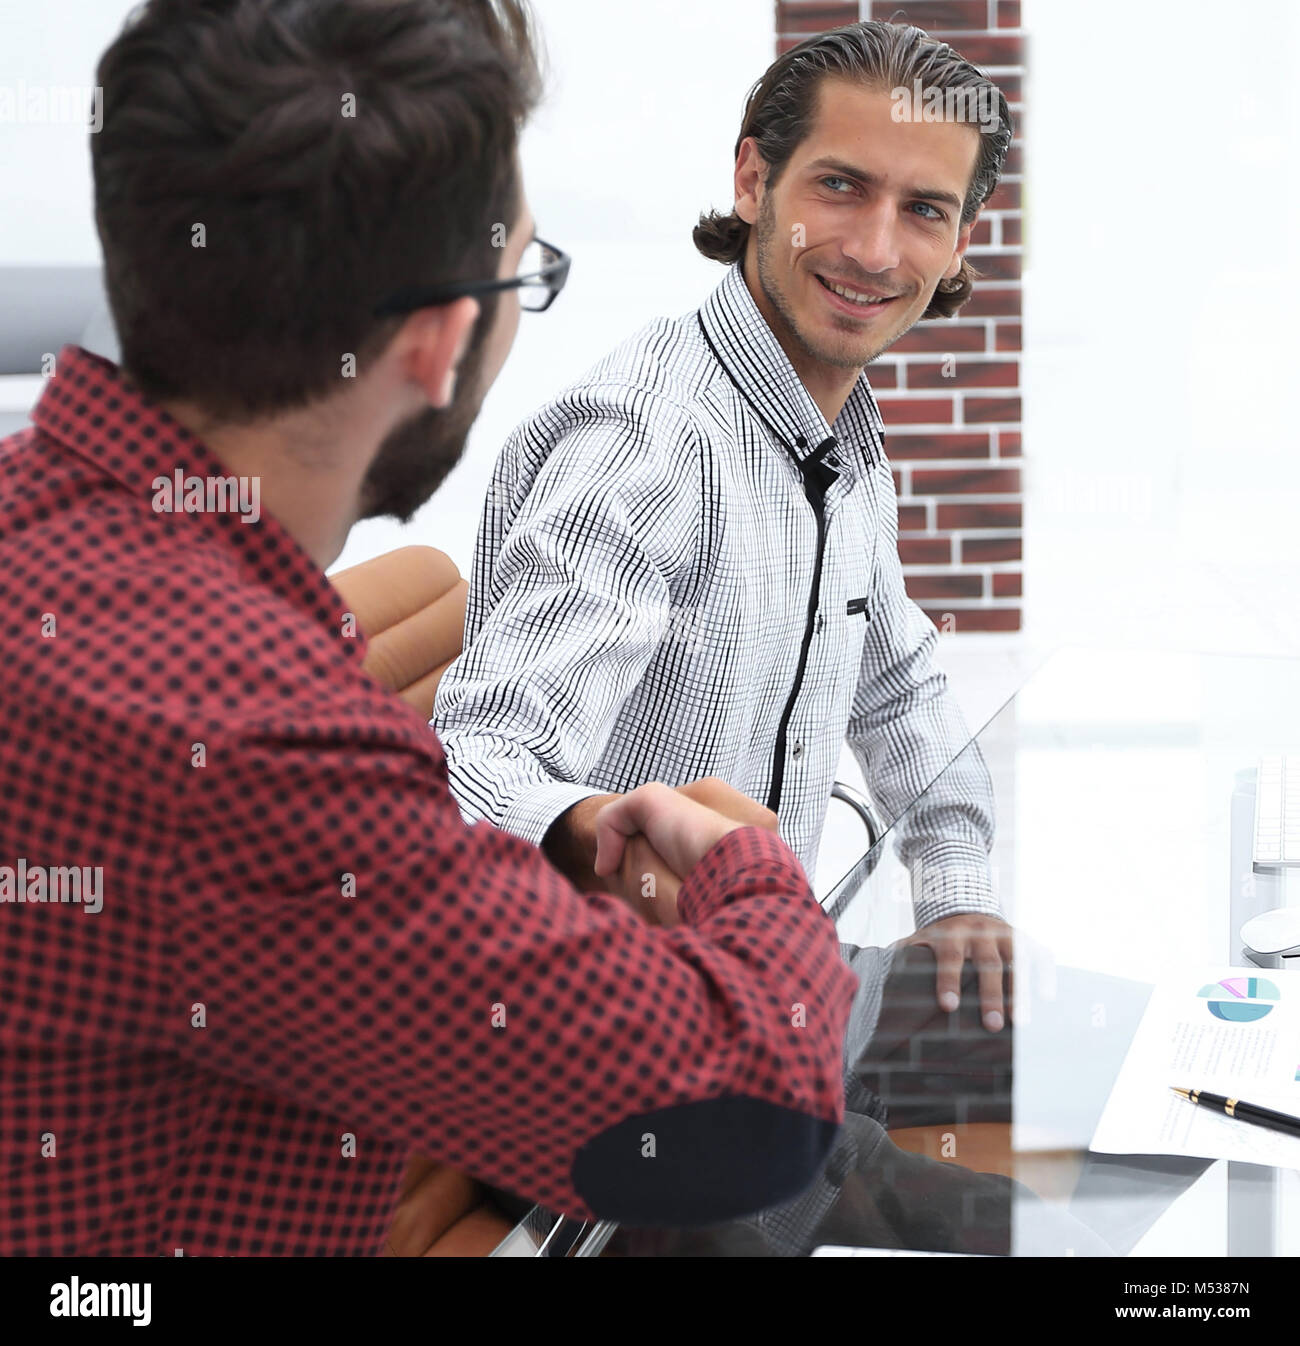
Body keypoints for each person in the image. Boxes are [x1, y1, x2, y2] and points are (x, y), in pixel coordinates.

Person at [0, 0, 857, 1256]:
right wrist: (740, 861)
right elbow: (754, 1113)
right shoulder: (257, 751)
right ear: (441, 338)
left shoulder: (51, 523)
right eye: (525, 274)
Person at [435, 19, 1017, 1030]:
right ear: (753, 180)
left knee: (1115, 1082)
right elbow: (471, 766)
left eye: (923, 209)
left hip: (757, 997)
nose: (876, 250)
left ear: (959, 241)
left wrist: (957, 887)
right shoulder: (649, 441)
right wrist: (592, 832)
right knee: (1070, 1150)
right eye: (840, 186)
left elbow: (897, 684)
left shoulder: (834, 432)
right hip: (610, 1049)